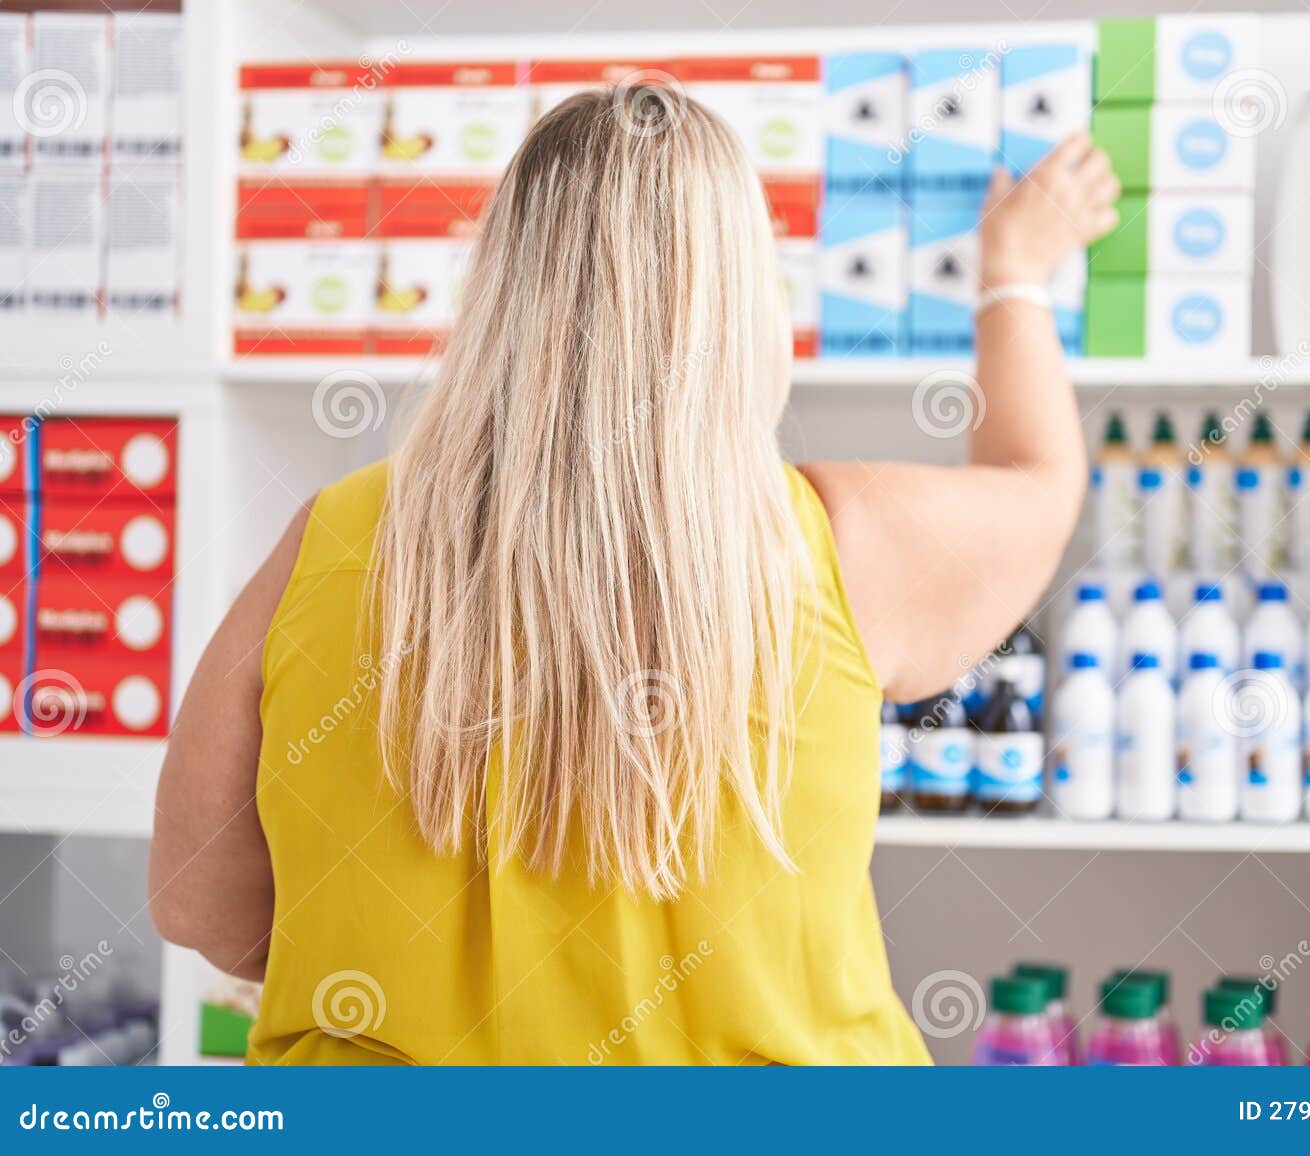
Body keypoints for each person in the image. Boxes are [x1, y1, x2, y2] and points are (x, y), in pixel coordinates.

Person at [148, 86, 1117, 1064]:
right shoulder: (844, 542)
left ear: (498, 280)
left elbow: (196, 899)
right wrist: (1012, 276)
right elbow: (1037, 479)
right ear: (743, 297)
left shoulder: (330, 537)